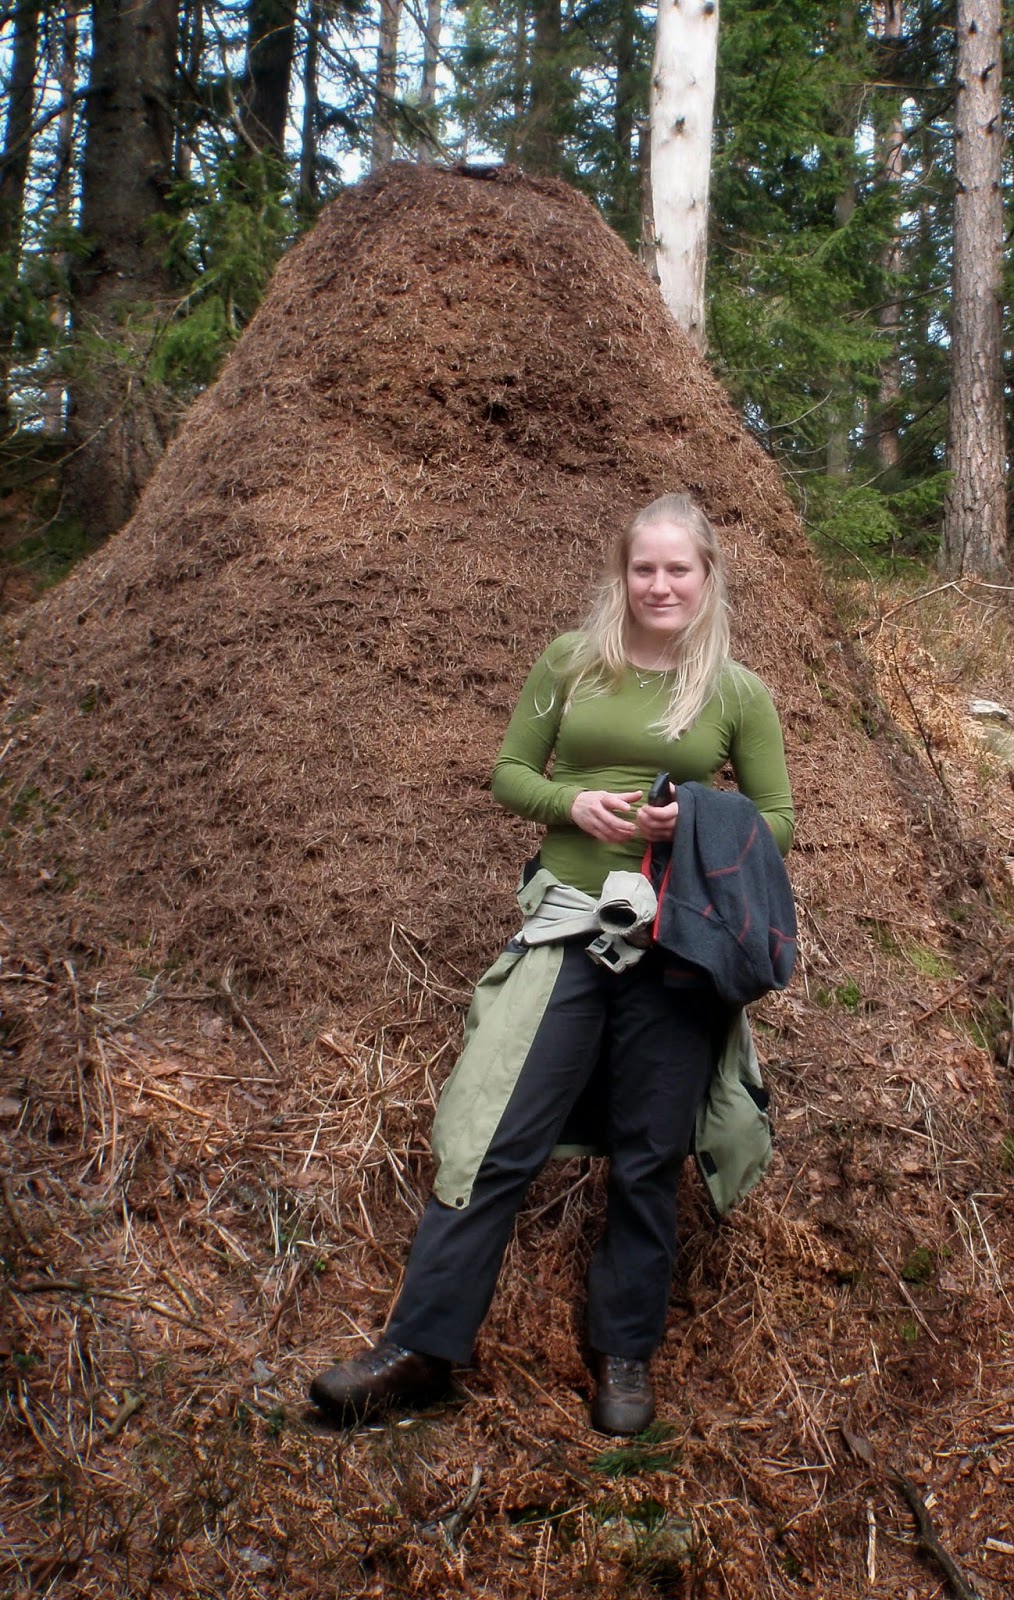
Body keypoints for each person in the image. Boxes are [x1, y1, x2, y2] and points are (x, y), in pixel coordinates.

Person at [308, 492, 794, 1435]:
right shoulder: (570, 664)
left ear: (706, 578)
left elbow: (776, 821)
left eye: (677, 570)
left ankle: (624, 1358)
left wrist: (691, 817)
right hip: (566, 928)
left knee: (652, 1158)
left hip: (674, 948)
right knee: (495, 1132)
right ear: (622, 575)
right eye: (643, 568)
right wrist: (572, 806)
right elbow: (508, 774)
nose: (660, 585)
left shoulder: (736, 691)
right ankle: (421, 1349)